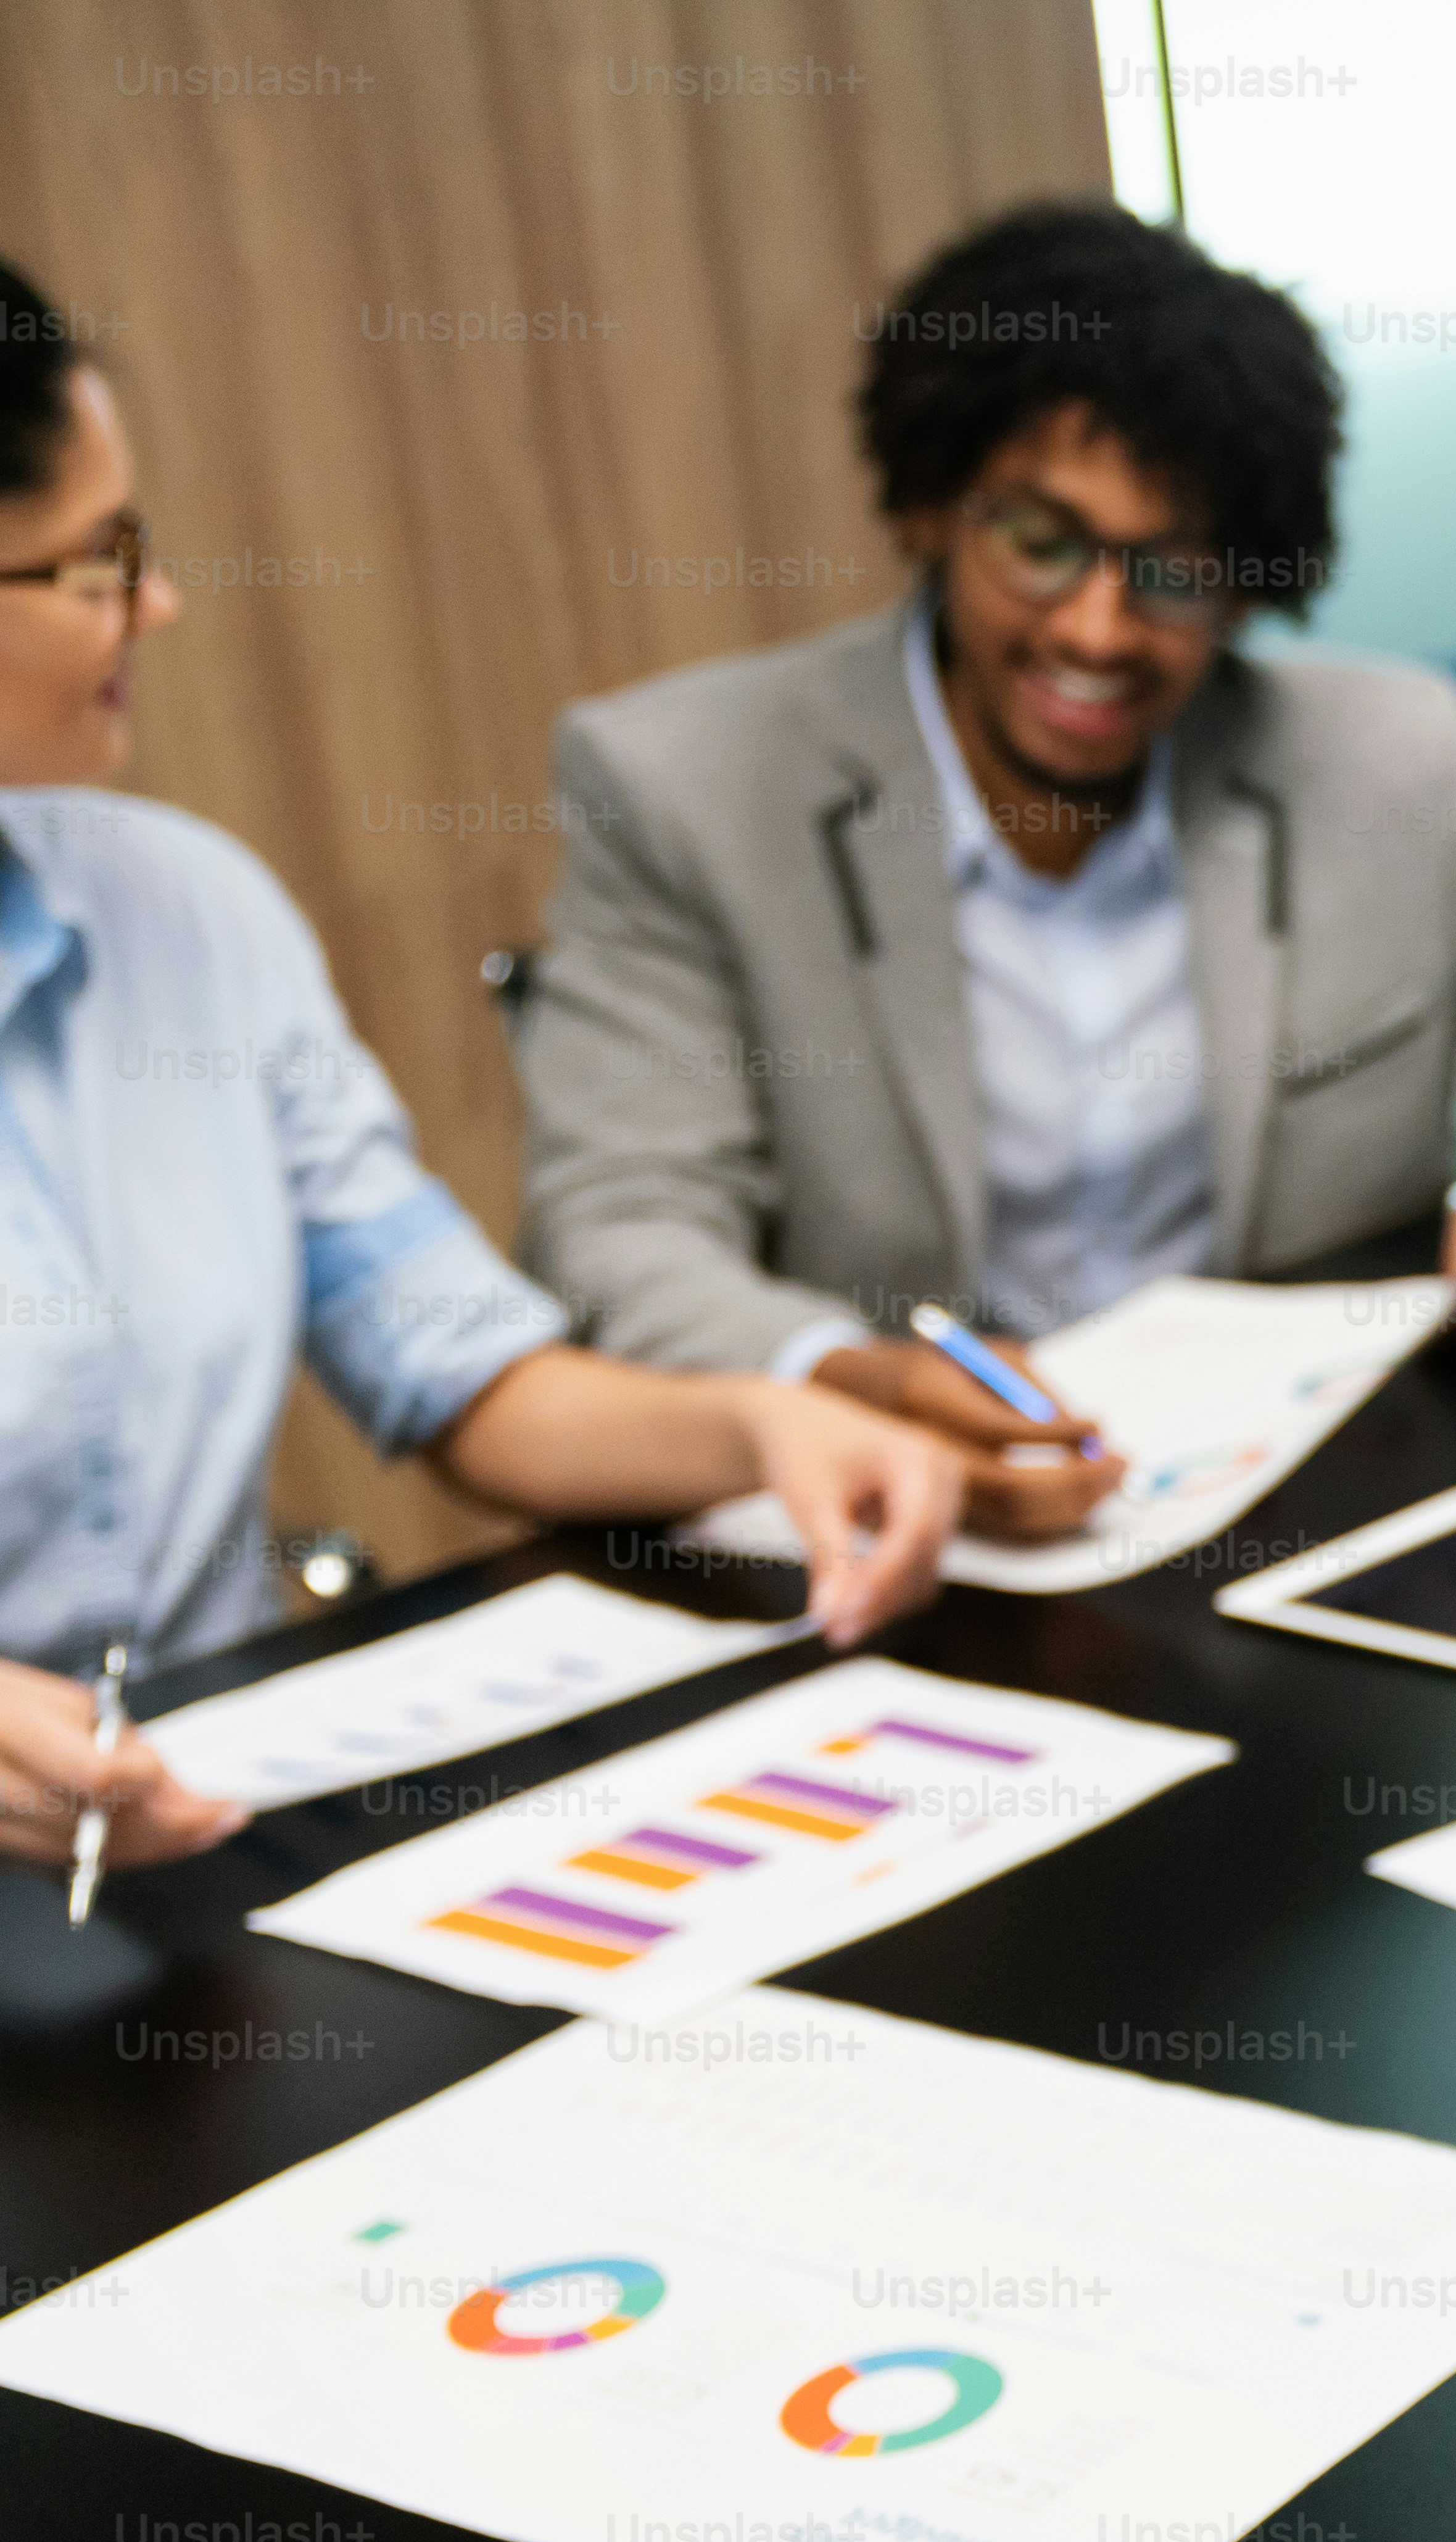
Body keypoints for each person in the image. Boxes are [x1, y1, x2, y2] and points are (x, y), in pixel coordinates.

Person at [515, 202, 1456, 1541]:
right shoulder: (690, 786)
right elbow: (623, 1231)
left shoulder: (1381, 761)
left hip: (1310, 1518)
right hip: (897, 1545)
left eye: (1174, 571)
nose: (1096, 629)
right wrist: (854, 1379)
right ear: (929, 508)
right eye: (1041, 542)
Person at [0, 260, 954, 1877]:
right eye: (99, 562)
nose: (156, 606)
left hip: (200, 1843)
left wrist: (764, 1426)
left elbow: (459, 1367)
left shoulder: (189, 912)